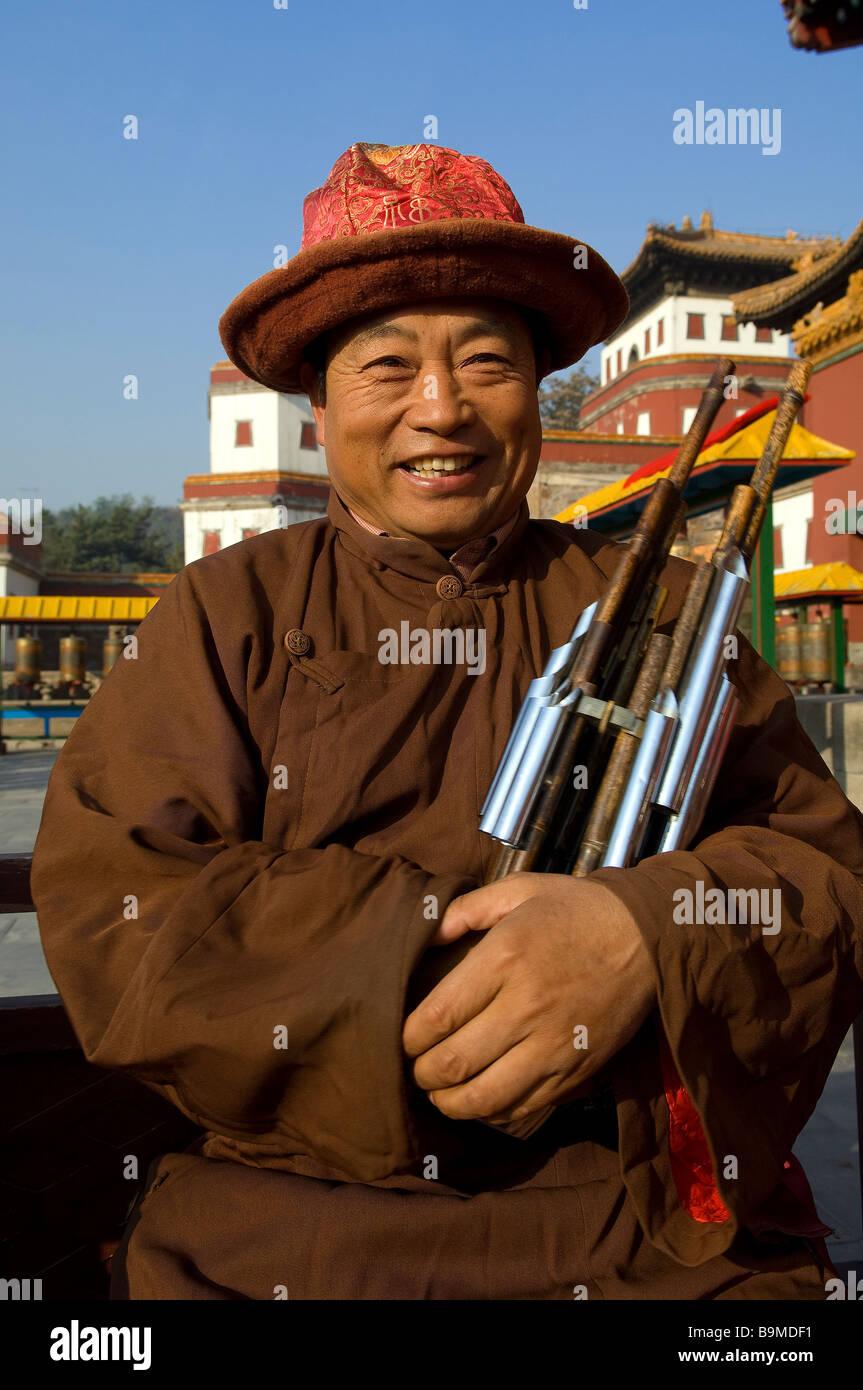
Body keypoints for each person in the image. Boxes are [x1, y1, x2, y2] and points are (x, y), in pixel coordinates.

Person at [31, 142, 863, 1300]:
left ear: (537, 389)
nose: (443, 409)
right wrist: (428, 954)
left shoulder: (666, 609)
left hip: (635, 1222)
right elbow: (121, 904)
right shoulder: (224, 614)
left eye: (485, 359)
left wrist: (637, 935)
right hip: (291, 1226)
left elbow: (820, 873)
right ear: (318, 409)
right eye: (386, 367)